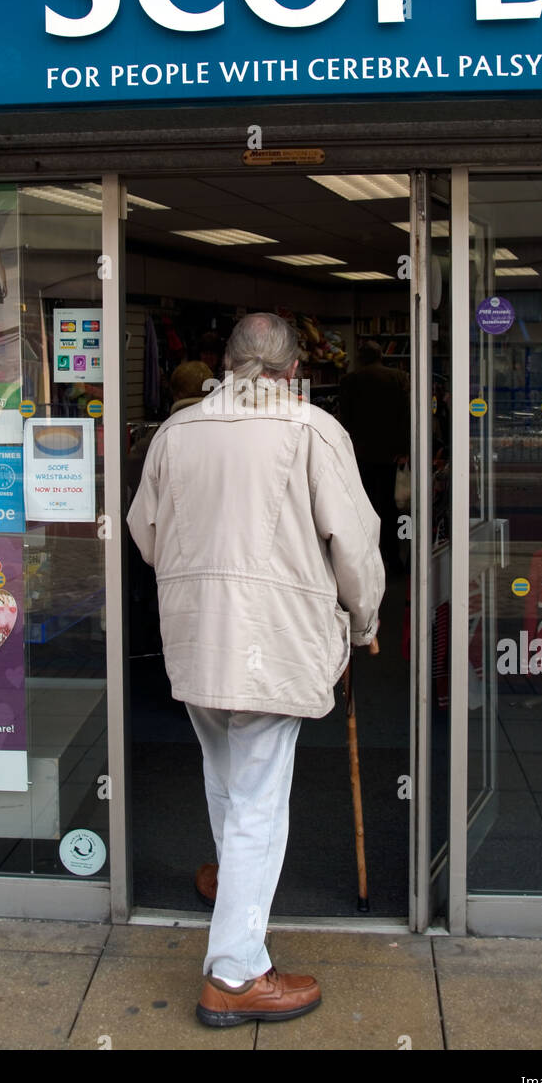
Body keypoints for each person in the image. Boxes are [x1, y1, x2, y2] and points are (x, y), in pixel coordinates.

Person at [127, 312, 384, 1028]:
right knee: (261, 797)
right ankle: (235, 975)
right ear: (292, 370)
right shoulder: (311, 430)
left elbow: (144, 534)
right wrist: (362, 623)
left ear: (225, 362)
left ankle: (229, 883)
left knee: (224, 773)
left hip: (195, 634)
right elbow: (355, 548)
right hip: (273, 639)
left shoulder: (176, 432)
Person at [339, 341, 411, 574]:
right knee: (390, 507)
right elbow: (405, 415)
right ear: (381, 355)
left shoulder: (350, 380)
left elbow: (345, 418)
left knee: (364, 504)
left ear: (360, 357)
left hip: (360, 453)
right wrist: (404, 449)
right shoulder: (399, 377)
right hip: (390, 453)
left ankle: (366, 558)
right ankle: (394, 557)